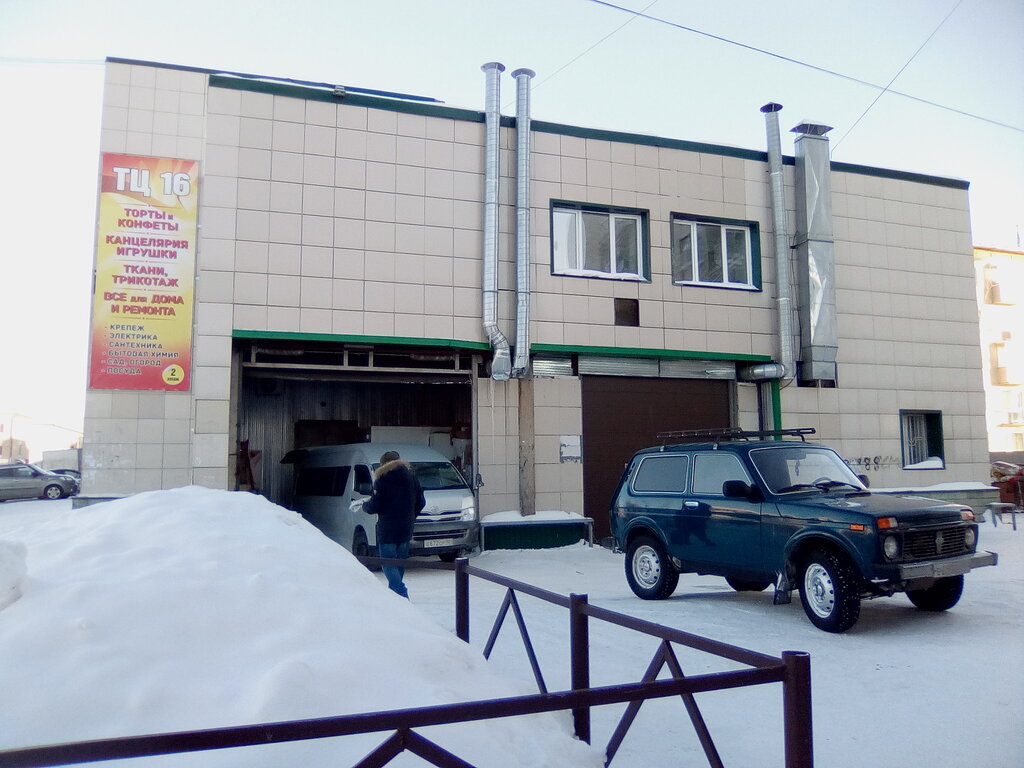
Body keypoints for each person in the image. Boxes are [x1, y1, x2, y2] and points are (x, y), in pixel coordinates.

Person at [363, 450, 425, 598]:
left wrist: (365, 506)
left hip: (388, 528)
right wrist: (411, 516)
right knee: (399, 562)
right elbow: (421, 502)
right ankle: (395, 598)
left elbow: (376, 505)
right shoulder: (412, 477)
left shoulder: (382, 479)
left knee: (388, 563)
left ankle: (400, 593)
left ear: (383, 464)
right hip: (406, 527)